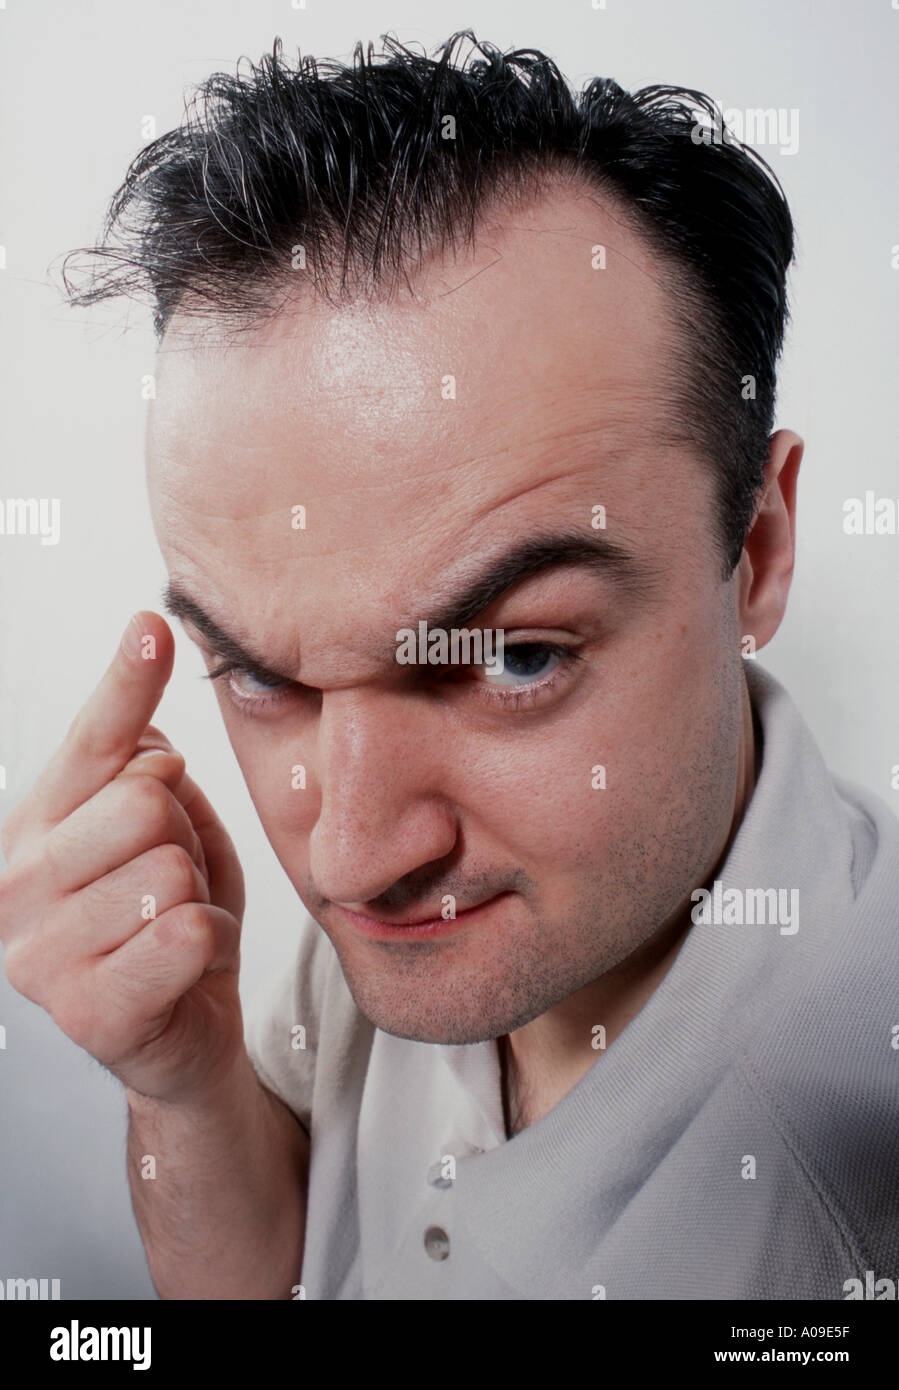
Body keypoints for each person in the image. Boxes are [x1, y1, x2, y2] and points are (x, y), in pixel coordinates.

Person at [2, 33, 897, 1300]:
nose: (348, 857)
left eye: (514, 658)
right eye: (261, 673)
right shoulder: (424, 895)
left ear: (750, 552)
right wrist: (190, 1085)